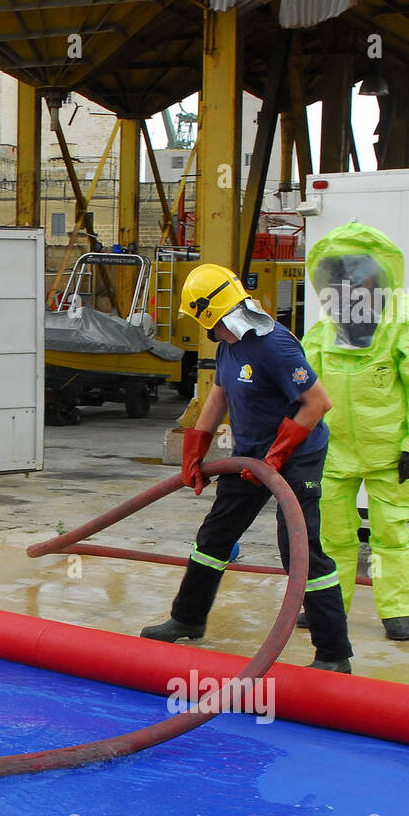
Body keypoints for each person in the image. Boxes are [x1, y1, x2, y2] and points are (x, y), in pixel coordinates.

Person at [140, 263, 355, 672]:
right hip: (250, 457)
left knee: (300, 551)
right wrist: (195, 451)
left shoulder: (276, 346)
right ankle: (187, 618)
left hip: (295, 458)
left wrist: (275, 459)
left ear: (210, 313)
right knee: (215, 536)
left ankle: (333, 653)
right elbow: (218, 396)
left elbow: (318, 404)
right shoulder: (228, 345)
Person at [302, 222, 409, 641]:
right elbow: (301, 389)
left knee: (391, 533)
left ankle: (398, 611)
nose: (346, 284)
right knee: (330, 534)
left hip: (390, 452)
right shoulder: (324, 331)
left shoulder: (405, 325)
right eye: (337, 275)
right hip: (334, 451)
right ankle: (326, 605)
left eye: (354, 274)